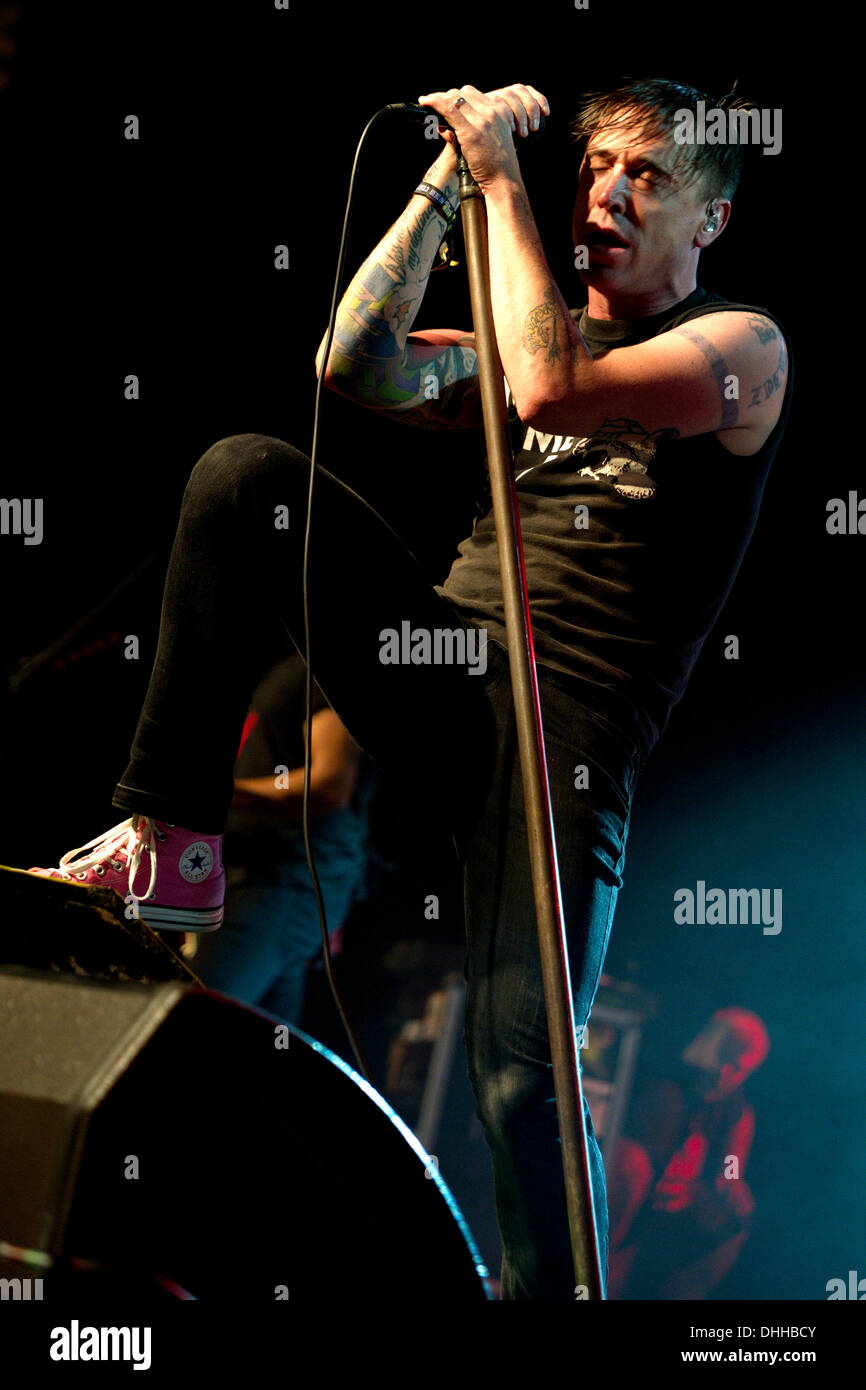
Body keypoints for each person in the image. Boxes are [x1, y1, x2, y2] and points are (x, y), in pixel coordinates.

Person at [28, 76, 792, 1300]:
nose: (603, 189)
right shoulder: (520, 341)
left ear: (707, 220)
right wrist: (445, 175)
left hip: (566, 735)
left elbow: (547, 387)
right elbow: (354, 363)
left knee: (518, 1082)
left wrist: (503, 183)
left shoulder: (739, 350)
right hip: (448, 662)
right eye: (595, 164)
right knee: (242, 478)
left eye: (645, 175)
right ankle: (174, 835)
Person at [189, 652, 373, 1026]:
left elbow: (329, 785)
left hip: (276, 886)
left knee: (181, 1028)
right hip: (269, 887)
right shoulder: (290, 666)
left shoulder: (324, 667)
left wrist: (206, 793)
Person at [607, 1008, 770, 1299]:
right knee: (631, 1166)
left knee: (736, 1219)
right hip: (643, 1198)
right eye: (723, 1060)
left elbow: (731, 1165)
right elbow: (643, 1151)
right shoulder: (668, 1086)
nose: (724, 1074)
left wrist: (728, 1180)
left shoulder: (736, 1111)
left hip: (686, 1201)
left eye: (736, 1068)